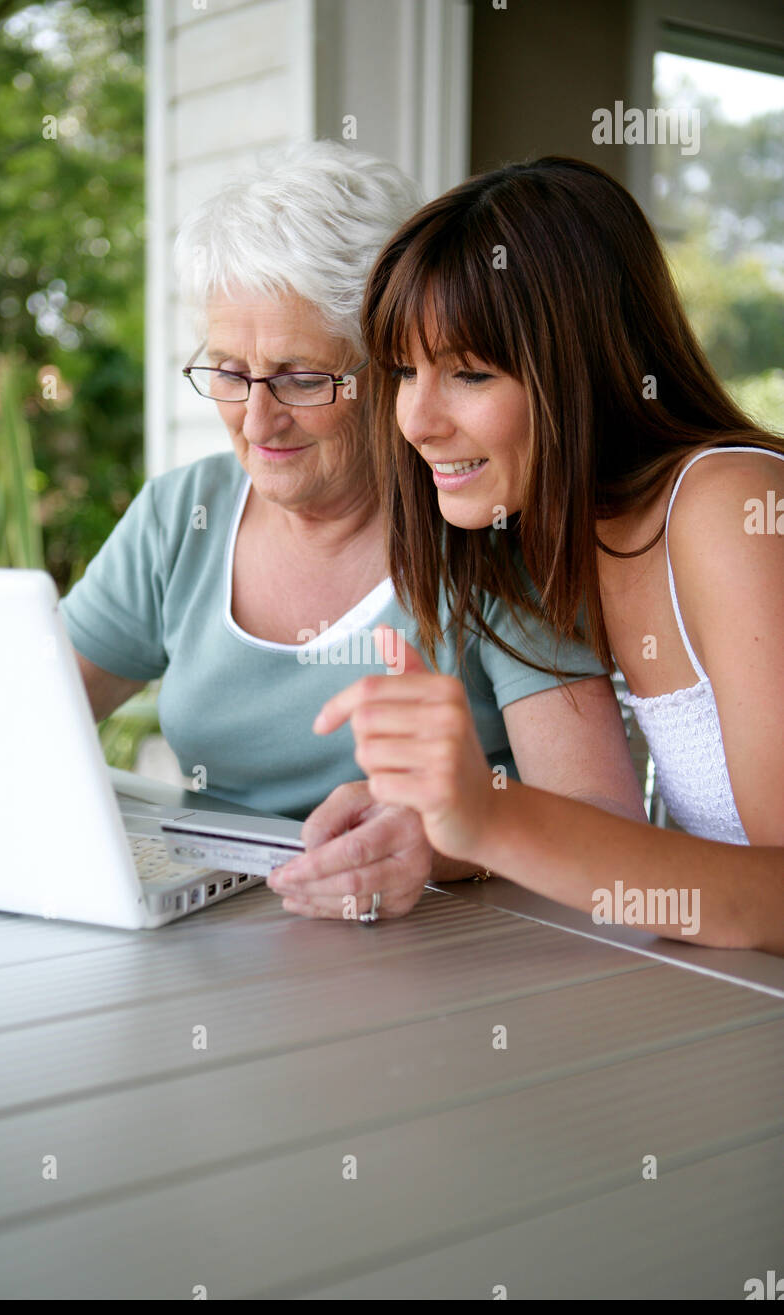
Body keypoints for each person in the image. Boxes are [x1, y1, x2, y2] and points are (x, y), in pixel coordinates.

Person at [59, 143, 644, 923]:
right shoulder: (182, 516)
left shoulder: (489, 527)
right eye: (230, 372)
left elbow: (602, 812)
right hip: (217, 938)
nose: (257, 419)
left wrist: (444, 841)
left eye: (303, 378)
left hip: (449, 948)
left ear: (395, 365)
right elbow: (15, 716)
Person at [298, 155, 784, 951]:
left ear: (583, 368)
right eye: (403, 372)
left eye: (471, 374)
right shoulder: (554, 537)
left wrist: (493, 816)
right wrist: (438, 830)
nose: (416, 421)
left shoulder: (730, 508)